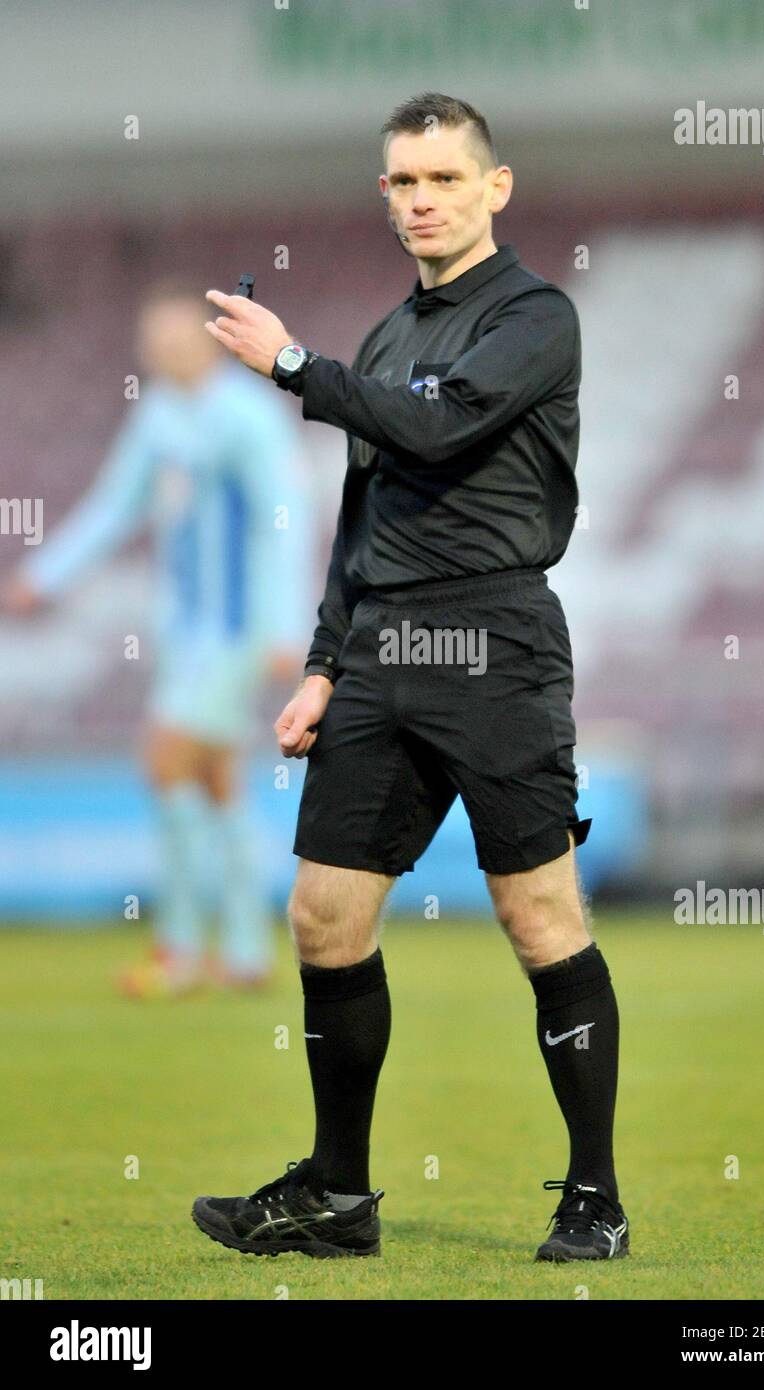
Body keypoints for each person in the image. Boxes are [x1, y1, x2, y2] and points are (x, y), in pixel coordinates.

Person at [190, 93, 628, 1262]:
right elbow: (362, 513)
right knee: (323, 918)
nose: (421, 198)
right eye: (401, 181)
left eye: (442, 177)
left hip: (494, 641)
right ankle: (337, 1197)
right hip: (379, 649)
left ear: (496, 187)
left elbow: (436, 432)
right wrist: (326, 664)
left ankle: (593, 1194)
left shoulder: (535, 317)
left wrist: (288, 361)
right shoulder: (384, 341)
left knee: (538, 917)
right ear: (384, 193)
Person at [3, 281, 314, 997]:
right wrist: (45, 576)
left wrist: (286, 627)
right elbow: (116, 505)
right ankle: (244, 952)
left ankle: (179, 949)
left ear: (207, 338)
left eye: (175, 335)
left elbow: (283, 520)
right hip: (184, 631)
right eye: (153, 339)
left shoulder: (249, 417)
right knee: (214, 783)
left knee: (165, 763)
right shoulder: (161, 417)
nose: (162, 349)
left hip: (236, 631)